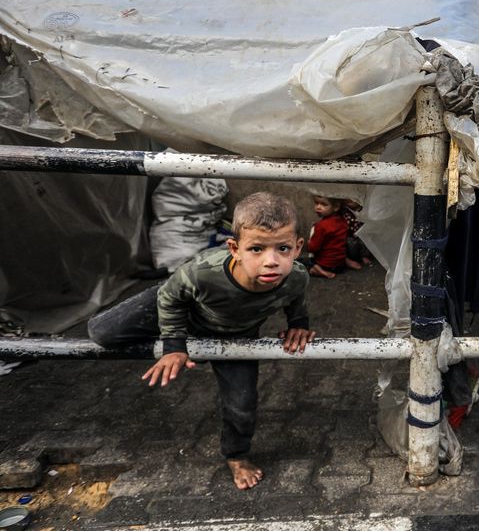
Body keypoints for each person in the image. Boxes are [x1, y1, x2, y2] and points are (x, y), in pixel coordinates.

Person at [87, 191, 314, 490]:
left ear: (297, 248)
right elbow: (170, 298)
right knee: (102, 334)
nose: (271, 261)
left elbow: (295, 301)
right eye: (256, 249)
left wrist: (298, 324)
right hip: (179, 304)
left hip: (235, 336)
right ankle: (174, 333)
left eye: (282, 248)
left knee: (243, 404)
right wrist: (174, 346)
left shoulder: (297, 277)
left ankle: (236, 456)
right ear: (235, 248)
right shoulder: (203, 272)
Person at [307, 196, 349, 278]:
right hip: (340, 264)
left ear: (336, 207)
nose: (318, 207)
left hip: (325, 265)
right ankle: (347, 261)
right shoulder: (342, 220)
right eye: (316, 203)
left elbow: (313, 248)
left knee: (304, 262)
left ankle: (320, 271)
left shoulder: (321, 226)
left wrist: (309, 242)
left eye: (324, 204)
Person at [341, 199, 373, 270]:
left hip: (362, 233)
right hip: (350, 235)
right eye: (349, 201)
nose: (352, 201)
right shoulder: (344, 211)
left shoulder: (363, 209)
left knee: (365, 241)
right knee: (350, 244)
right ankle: (352, 258)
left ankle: (364, 256)